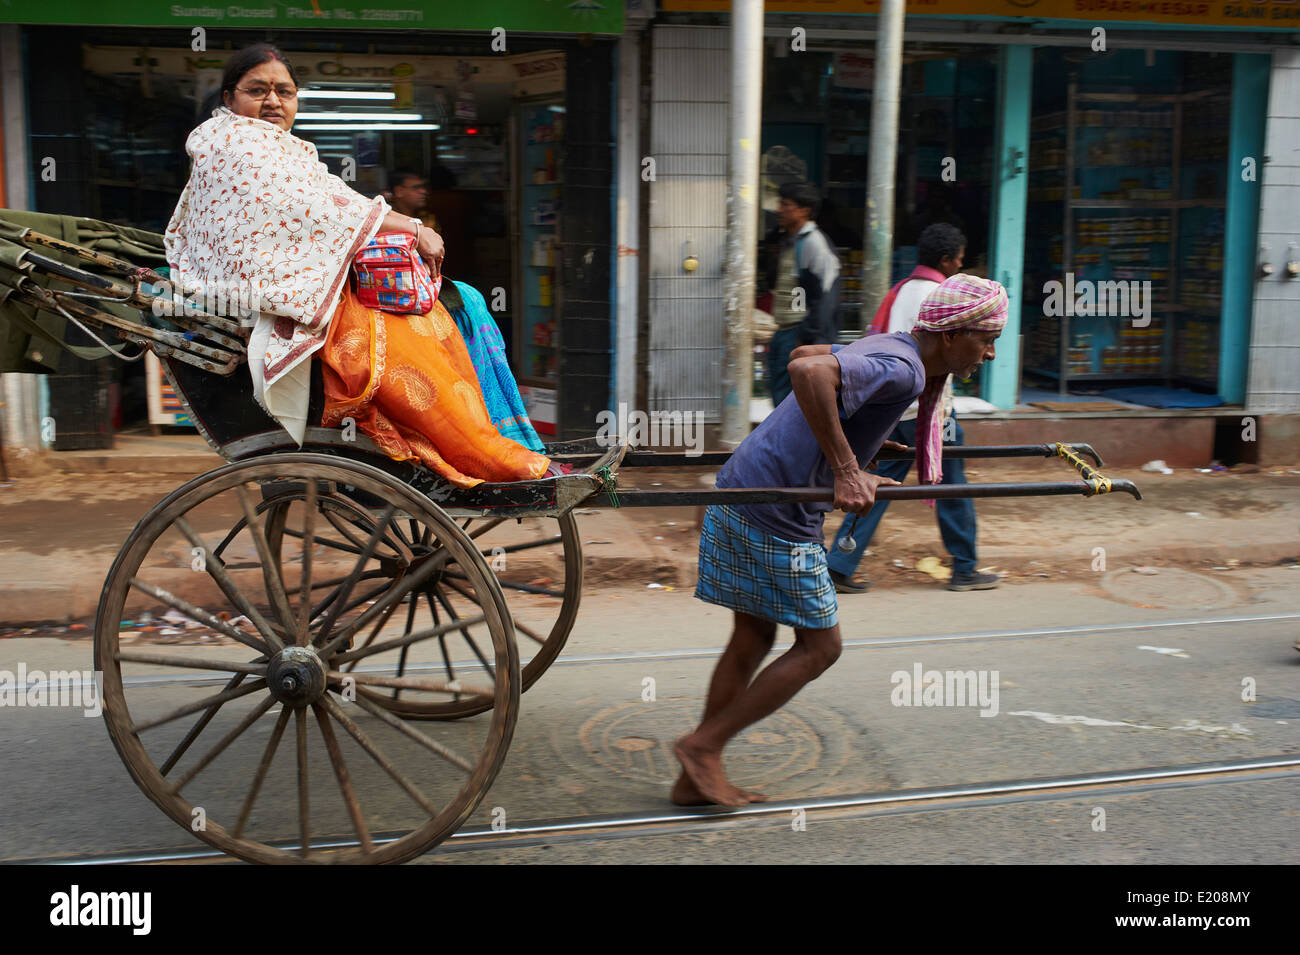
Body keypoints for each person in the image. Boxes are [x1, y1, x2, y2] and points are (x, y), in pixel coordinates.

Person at [676, 274, 1007, 807]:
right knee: (820, 647)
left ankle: (693, 774)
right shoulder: (904, 370)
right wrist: (847, 466)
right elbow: (807, 369)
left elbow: (811, 352)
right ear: (949, 335)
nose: (990, 353)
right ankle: (702, 747)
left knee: (754, 638)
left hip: (743, 487)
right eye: (985, 339)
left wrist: (863, 437)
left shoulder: (896, 347)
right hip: (776, 511)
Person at [165, 43, 549, 487]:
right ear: (229, 98)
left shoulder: (280, 149)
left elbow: (335, 203)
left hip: (305, 292)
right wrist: (411, 227)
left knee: (466, 302)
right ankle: (479, 452)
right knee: (415, 336)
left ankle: (501, 436)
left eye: (284, 92)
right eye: (258, 90)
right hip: (276, 306)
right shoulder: (235, 145)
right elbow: (320, 211)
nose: (273, 100)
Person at [826, 223, 999, 593]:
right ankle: (965, 567)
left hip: (897, 405)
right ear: (945, 260)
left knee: (878, 486)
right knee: (954, 487)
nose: (959, 267)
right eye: (958, 261)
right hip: (930, 409)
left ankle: (839, 564)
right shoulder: (943, 295)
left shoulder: (900, 289)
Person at [760, 181, 842, 407]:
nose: (779, 210)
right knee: (781, 399)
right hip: (784, 332)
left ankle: (795, 443)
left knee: (792, 402)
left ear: (804, 210)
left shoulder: (813, 243)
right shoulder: (791, 241)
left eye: (786, 205)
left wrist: (809, 338)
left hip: (797, 335)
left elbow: (826, 296)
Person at [386, 169, 440, 235]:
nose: (424, 191)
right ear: (399, 191)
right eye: (416, 188)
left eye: (424, 187)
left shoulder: (427, 218)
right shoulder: (384, 219)